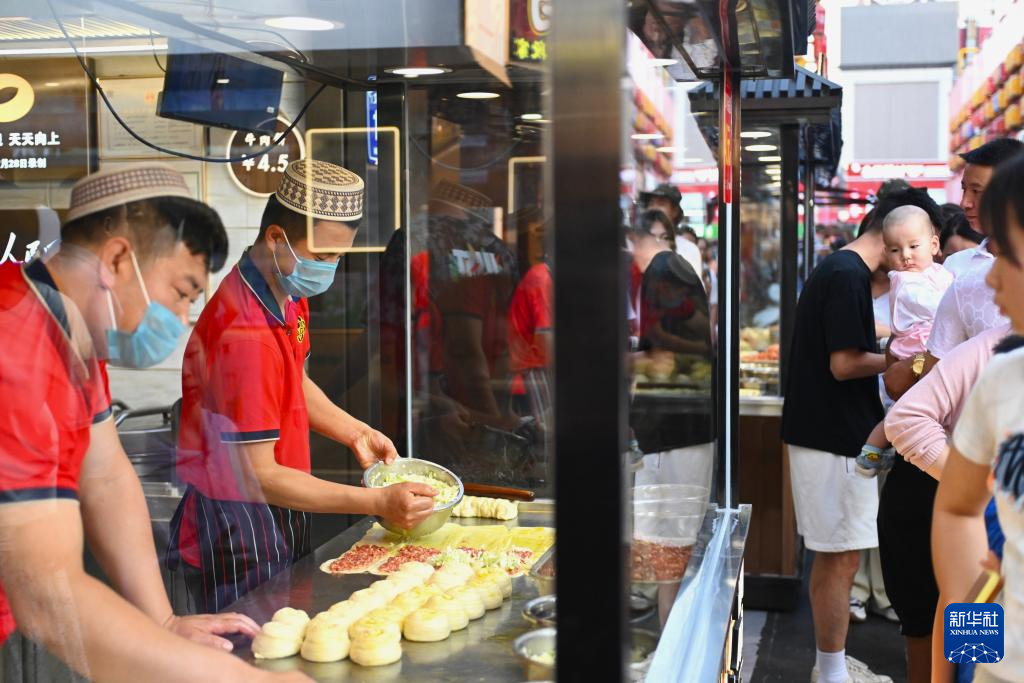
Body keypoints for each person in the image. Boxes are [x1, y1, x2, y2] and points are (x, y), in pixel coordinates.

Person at [0, 163, 308, 683]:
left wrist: (164, 621)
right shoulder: (15, 339)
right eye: (182, 293)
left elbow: (106, 476)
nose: (183, 319)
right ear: (118, 259)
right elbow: (48, 595)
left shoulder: (70, 334)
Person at [168, 160, 437, 613]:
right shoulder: (244, 334)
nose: (330, 268)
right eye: (323, 256)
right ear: (276, 238)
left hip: (282, 502)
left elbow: (295, 382)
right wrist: (376, 501)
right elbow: (260, 475)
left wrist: (356, 432)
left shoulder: (287, 295)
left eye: (338, 258)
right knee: (255, 645)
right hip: (240, 527)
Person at [781, 194, 893, 683]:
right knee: (839, 557)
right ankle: (829, 671)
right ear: (890, 232)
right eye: (911, 244)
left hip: (832, 436)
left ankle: (831, 664)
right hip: (834, 438)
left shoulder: (841, 270)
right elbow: (845, 364)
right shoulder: (848, 274)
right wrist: (906, 361)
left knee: (839, 555)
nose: (913, 258)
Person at [932, 153, 1024, 683]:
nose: (990, 278)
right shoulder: (1002, 373)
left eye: (1006, 254)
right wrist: (966, 660)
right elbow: (960, 511)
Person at [885, 138, 1024, 400]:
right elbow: (908, 365)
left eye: (977, 191)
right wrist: (917, 361)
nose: (965, 202)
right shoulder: (956, 271)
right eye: (964, 190)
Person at [856, 206, 952, 477]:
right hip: (914, 353)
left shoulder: (936, 273)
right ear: (886, 254)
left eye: (913, 246)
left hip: (929, 352)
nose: (906, 255)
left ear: (934, 245)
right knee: (901, 411)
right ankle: (870, 454)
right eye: (895, 250)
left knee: (913, 411)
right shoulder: (906, 282)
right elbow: (938, 307)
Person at [638, 183, 704, 282]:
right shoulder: (637, 247)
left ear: (675, 211)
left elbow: (692, 289)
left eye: (661, 204)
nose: (655, 208)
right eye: (651, 203)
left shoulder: (688, 250)